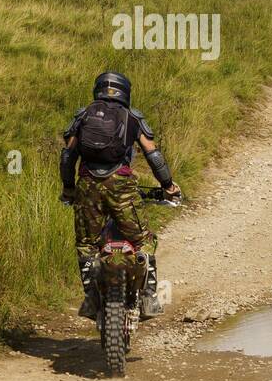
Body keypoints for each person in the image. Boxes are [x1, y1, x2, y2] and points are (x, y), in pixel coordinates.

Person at [60, 72, 181, 320]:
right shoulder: (132, 116)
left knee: (86, 244)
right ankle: (148, 297)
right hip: (121, 187)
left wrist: (68, 188)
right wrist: (168, 185)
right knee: (144, 239)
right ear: (125, 91)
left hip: (87, 186)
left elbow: (67, 156)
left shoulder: (83, 115)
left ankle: (92, 299)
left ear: (97, 90)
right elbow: (152, 154)